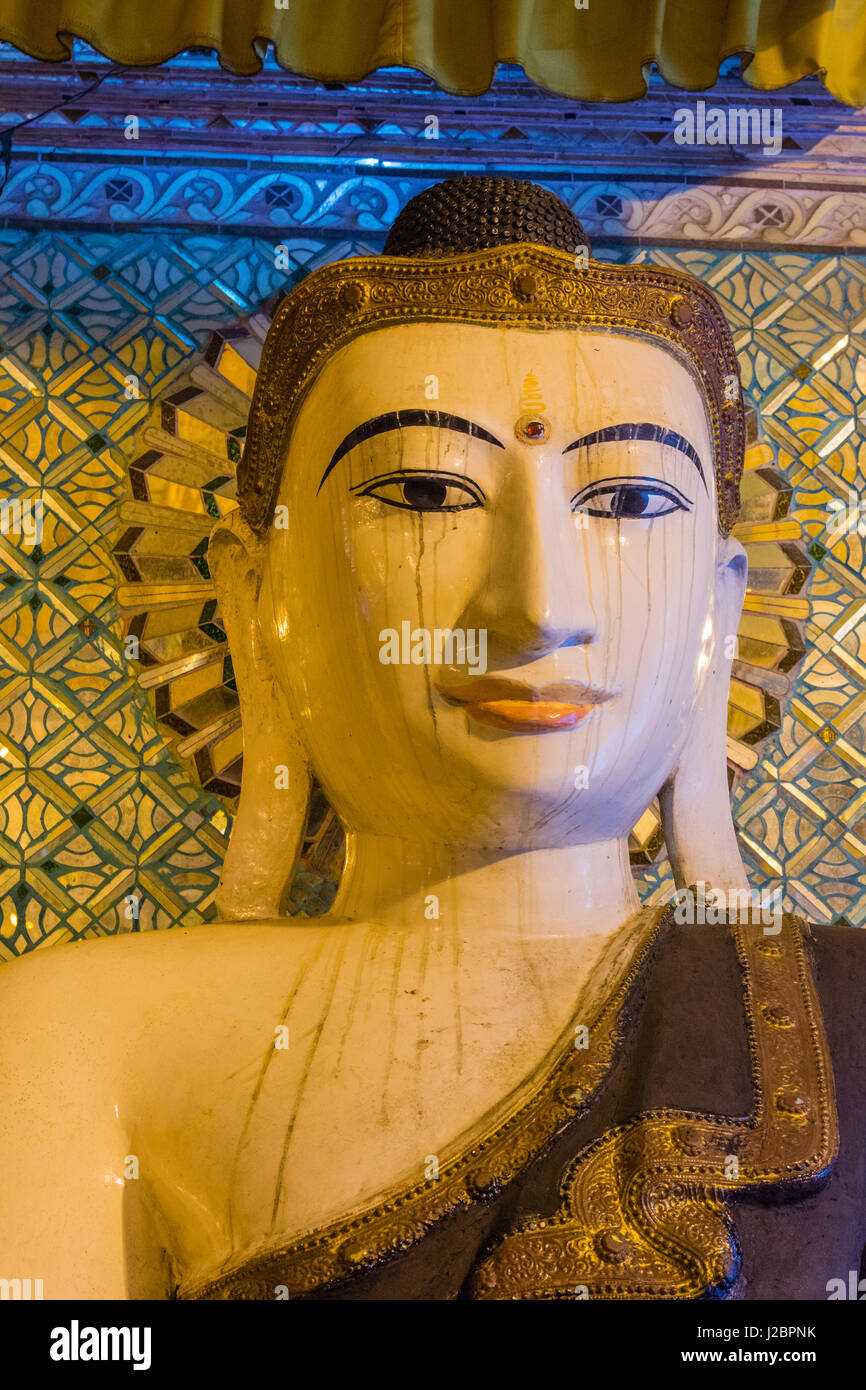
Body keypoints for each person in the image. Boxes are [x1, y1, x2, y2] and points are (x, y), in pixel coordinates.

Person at [0, 177, 862, 1301]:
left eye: (628, 504)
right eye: (423, 488)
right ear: (261, 604)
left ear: (716, 609)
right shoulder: (86, 1033)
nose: (538, 605)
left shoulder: (845, 1013)